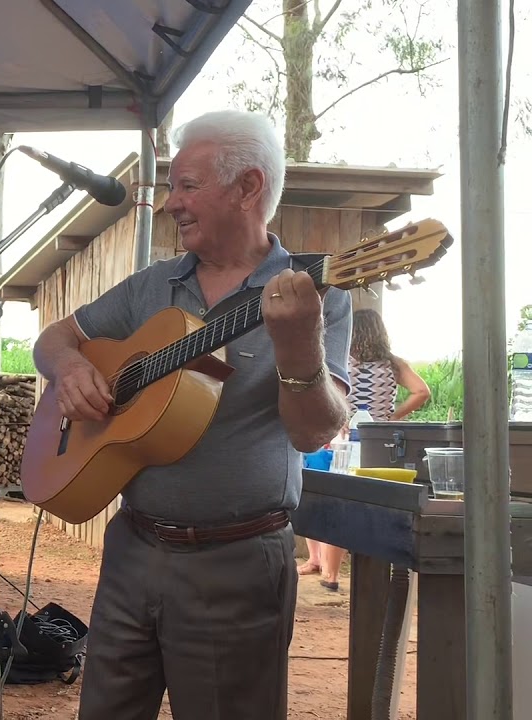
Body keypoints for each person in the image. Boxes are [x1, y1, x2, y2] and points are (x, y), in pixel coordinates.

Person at [32, 110, 353, 720]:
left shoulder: (318, 295)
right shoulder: (151, 286)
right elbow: (54, 338)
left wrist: (298, 348)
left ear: (248, 187)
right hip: (132, 549)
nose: (170, 202)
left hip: (237, 565)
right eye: (172, 186)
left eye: (187, 185)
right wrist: (70, 369)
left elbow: (312, 432)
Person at [298, 307, 430, 589]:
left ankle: (327, 570)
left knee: (325, 500)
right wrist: (393, 416)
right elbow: (422, 391)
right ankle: (324, 566)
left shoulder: (343, 362)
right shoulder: (394, 365)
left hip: (339, 441)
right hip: (378, 444)